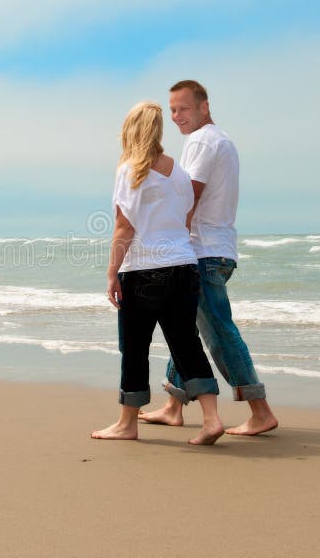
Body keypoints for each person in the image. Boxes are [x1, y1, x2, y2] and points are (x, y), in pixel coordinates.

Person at [139, 80, 278, 436]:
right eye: (172, 110)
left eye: (184, 108)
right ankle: (173, 405)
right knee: (185, 327)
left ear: (204, 107)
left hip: (201, 251)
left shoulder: (201, 141)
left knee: (217, 331)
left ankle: (260, 410)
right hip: (218, 249)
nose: (176, 116)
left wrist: (169, 245)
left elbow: (188, 197)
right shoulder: (222, 139)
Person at [91, 101, 224, 445]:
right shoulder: (177, 172)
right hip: (184, 266)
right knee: (186, 344)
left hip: (146, 271)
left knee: (134, 347)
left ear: (130, 130)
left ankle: (126, 424)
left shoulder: (130, 169)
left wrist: (111, 273)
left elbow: (123, 227)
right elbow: (185, 219)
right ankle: (211, 419)